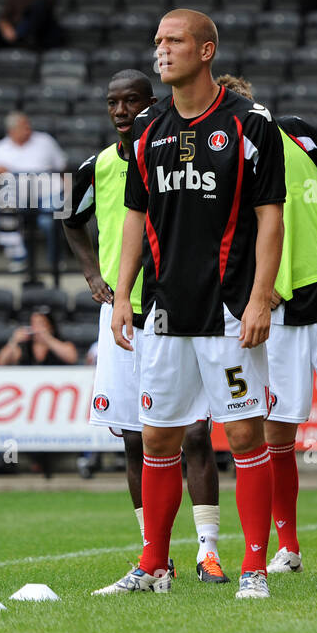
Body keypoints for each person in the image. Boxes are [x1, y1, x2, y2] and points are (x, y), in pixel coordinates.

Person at [96, 9, 286, 600]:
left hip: (229, 309)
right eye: (157, 41)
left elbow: (271, 217)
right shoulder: (147, 130)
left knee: (244, 433)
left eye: (173, 41)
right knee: (157, 438)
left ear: (207, 51)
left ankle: (254, 566)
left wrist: (260, 297)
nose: (161, 51)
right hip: (165, 310)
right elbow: (134, 217)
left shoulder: (252, 125)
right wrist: (123, 294)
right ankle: (153, 563)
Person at [62, 68, 225, 585]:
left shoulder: (174, 150)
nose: (120, 111)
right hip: (124, 312)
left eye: (131, 101)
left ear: (150, 103)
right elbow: (69, 217)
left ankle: (207, 551)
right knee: (135, 439)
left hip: (179, 305)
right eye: (113, 102)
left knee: (195, 434)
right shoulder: (98, 167)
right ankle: (155, 557)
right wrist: (94, 275)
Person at [214, 74, 317, 580]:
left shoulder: (295, 132)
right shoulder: (220, 159)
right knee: (277, 429)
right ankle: (289, 547)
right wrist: (253, 289)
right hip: (275, 308)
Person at [0, 112, 67, 273]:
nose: (28, 129)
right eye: (23, 126)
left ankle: (56, 259)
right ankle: (18, 258)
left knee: (49, 221)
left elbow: (62, 167)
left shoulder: (45, 141)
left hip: (46, 190)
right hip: (15, 192)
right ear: (11, 131)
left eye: (28, 125)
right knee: (3, 216)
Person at [0, 307, 78, 366]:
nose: (36, 328)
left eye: (41, 323)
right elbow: (1, 362)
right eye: (33, 323)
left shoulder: (61, 342)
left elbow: (72, 358)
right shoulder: (25, 347)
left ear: (50, 326)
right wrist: (14, 341)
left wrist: (47, 339)